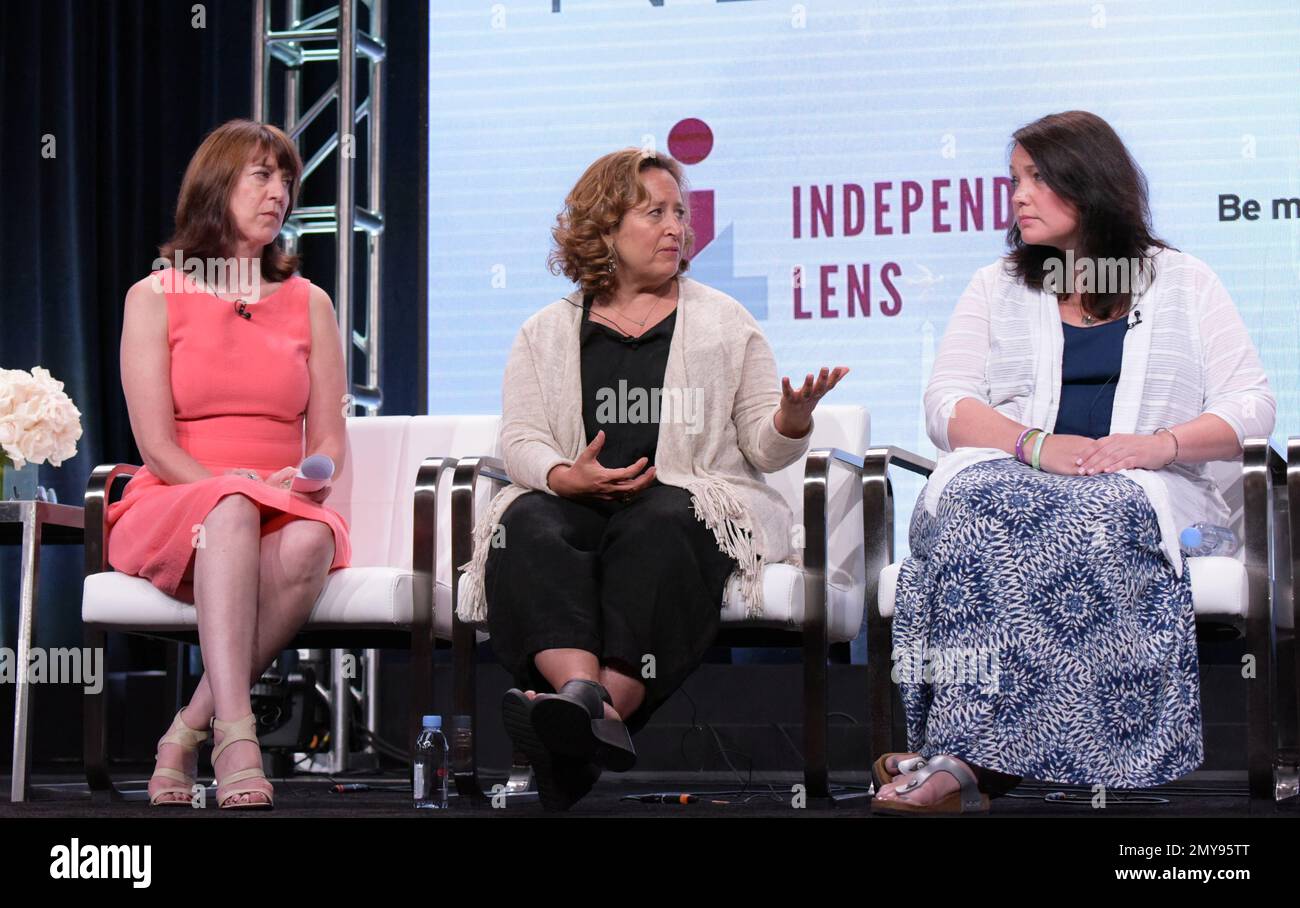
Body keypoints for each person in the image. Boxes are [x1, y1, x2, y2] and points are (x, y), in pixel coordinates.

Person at [872, 110, 1275, 815]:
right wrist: (1033, 445)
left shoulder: (1183, 282)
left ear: (1087, 186)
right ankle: (970, 755)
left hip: (1148, 489)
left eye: (1037, 179)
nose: (1018, 196)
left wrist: (1159, 445)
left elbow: (1253, 404)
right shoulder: (998, 286)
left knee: (1105, 506)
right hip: (1016, 476)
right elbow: (946, 403)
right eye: (1014, 180)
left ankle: (965, 760)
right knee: (977, 500)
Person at [457, 148, 848, 810]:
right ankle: (592, 709)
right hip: (580, 500)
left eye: (680, 213)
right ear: (604, 227)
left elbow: (763, 446)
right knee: (524, 522)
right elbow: (519, 438)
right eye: (654, 213)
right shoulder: (545, 332)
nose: (677, 228)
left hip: (692, 499)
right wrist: (562, 474)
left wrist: (791, 418)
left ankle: (580, 712)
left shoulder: (724, 321)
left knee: (662, 520)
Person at [108, 119, 352, 809]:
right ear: (217, 186)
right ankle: (236, 735)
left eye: (288, 181)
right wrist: (228, 485)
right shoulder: (153, 298)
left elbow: (331, 439)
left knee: (311, 535)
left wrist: (302, 477)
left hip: (281, 503)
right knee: (233, 506)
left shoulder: (312, 304)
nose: (280, 193)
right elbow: (154, 444)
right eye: (262, 176)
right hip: (175, 498)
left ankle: (186, 729)